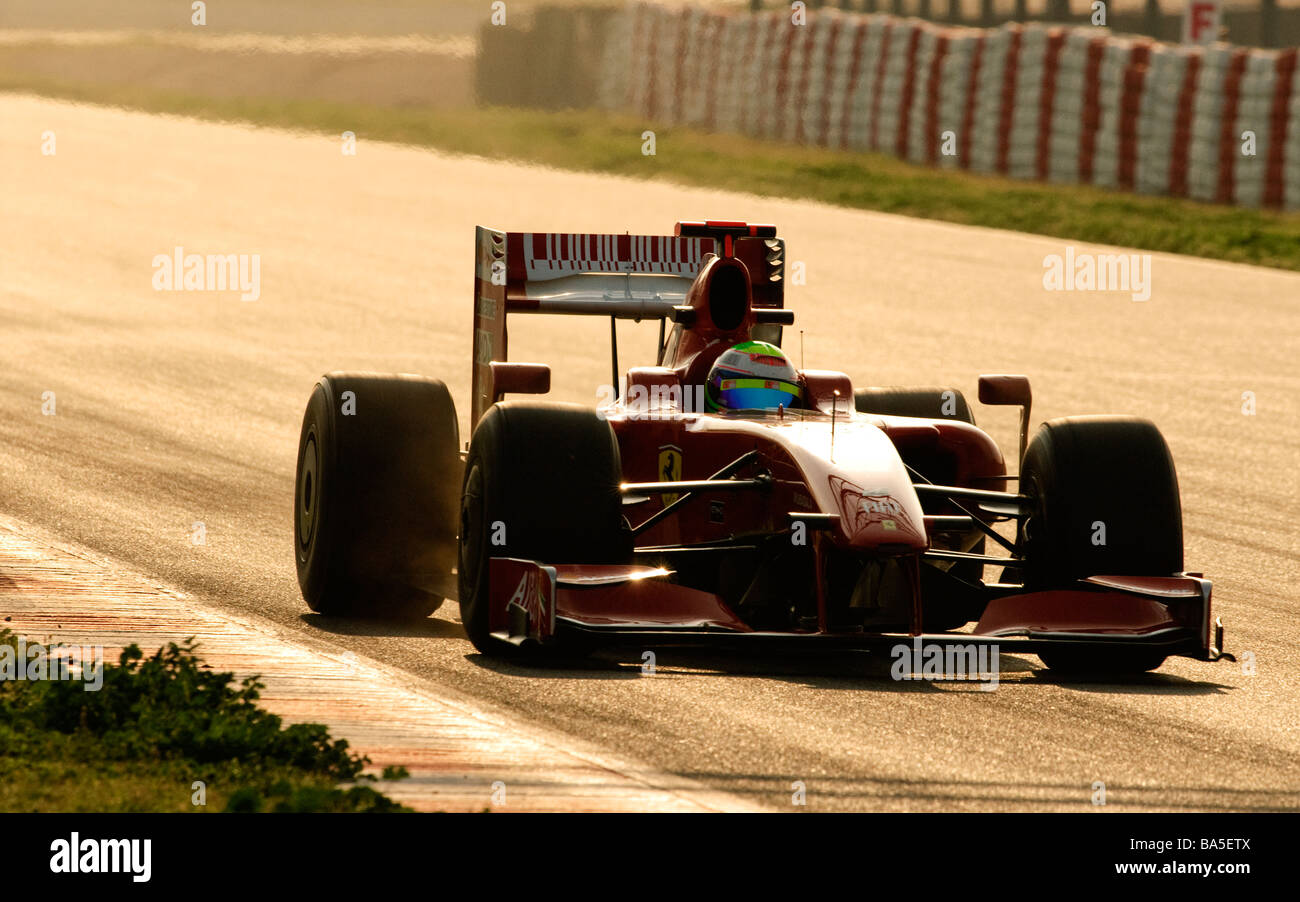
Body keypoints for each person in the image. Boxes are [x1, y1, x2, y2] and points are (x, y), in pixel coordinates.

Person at [704, 340, 801, 412]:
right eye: (744, 398)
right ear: (714, 389)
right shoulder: (691, 420)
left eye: (776, 402)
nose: (760, 416)